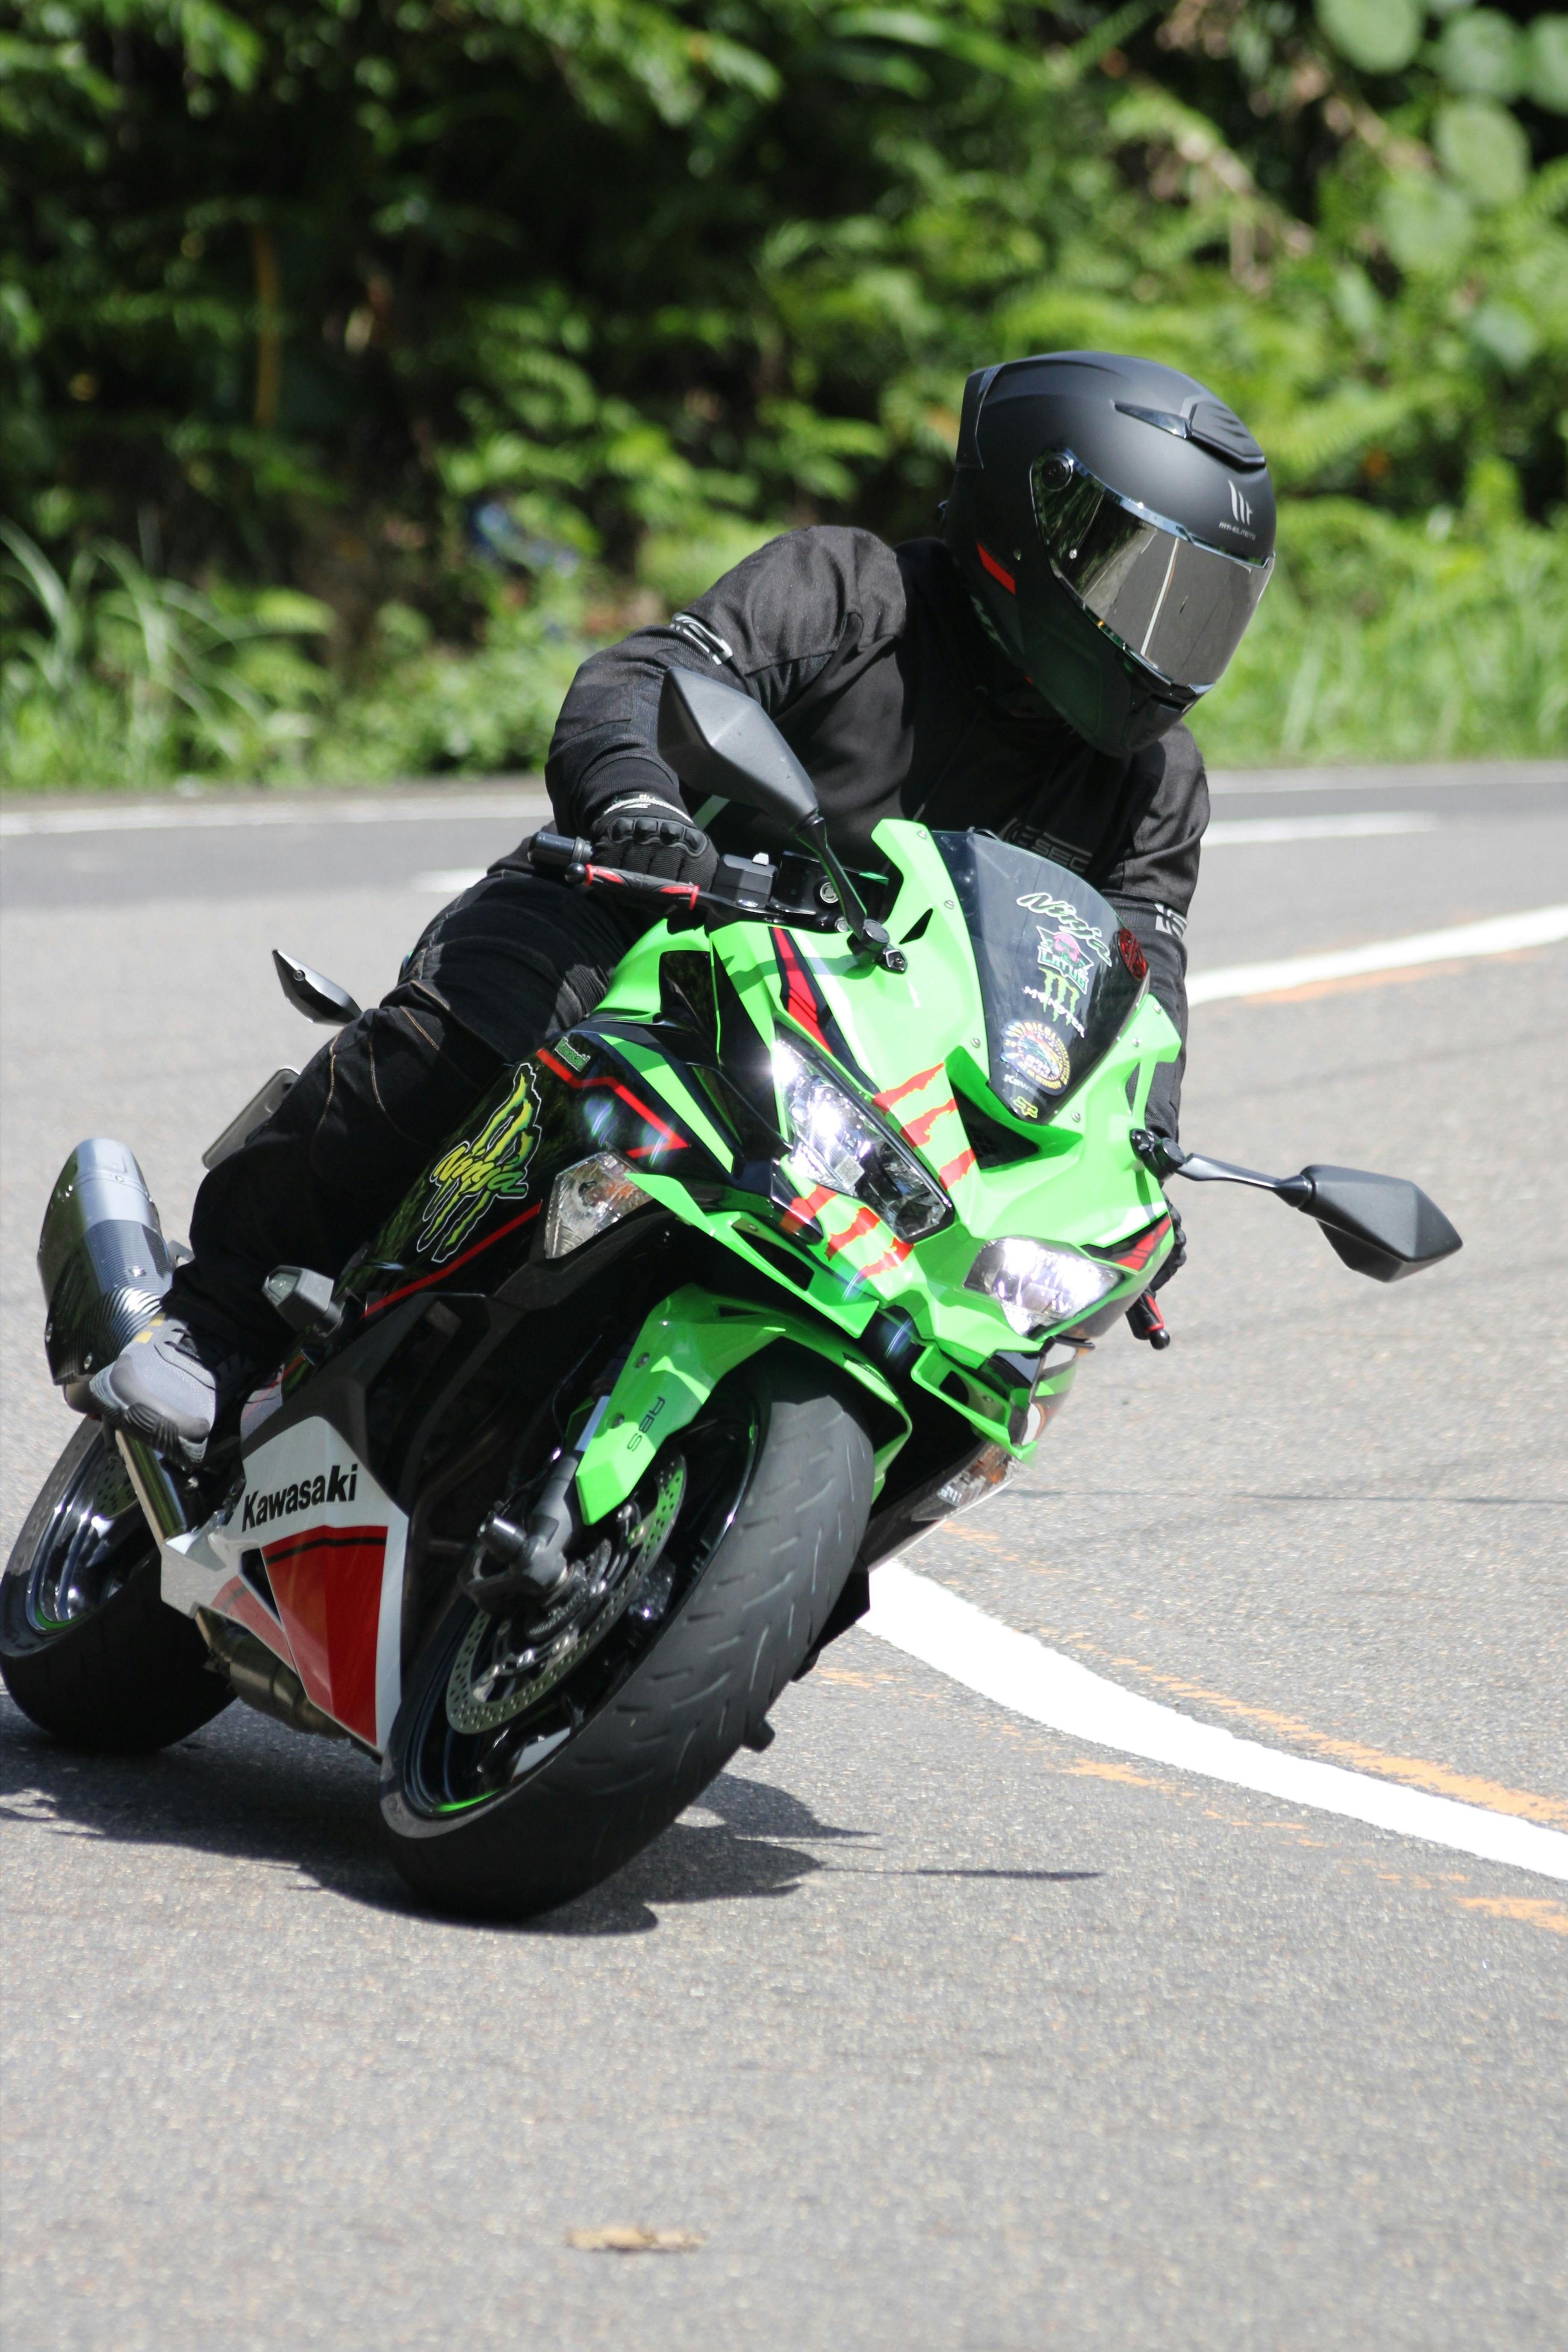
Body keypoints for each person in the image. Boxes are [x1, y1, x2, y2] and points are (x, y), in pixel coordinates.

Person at [88, 349, 1276, 1462]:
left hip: (867, 1063)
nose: (1161, 639)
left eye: (1198, 605)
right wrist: (637, 806)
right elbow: (647, 677)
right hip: (633, 926)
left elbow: (1135, 985)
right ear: (1031, 524)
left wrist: (1133, 1155)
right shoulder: (853, 592)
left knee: (974, 1341)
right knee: (475, 1040)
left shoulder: (1152, 784)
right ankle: (215, 1312)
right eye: (1137, 580)